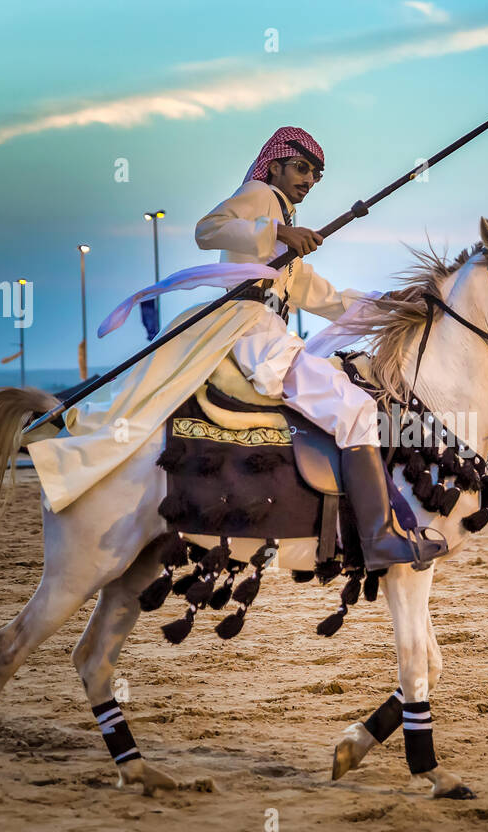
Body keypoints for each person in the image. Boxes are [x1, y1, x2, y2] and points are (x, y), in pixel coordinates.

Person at [187, 127, 445, 569]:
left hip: (268, 333)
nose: (309, 179)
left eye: (316, 175)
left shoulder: (283, 231)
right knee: (358, 409)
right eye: (302, 168)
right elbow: (207, 231)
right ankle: (379, 539)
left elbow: (326, 298)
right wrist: (280, 232)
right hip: (254, 335)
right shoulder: (261, 195)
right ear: (275, 166)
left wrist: (387, 304)